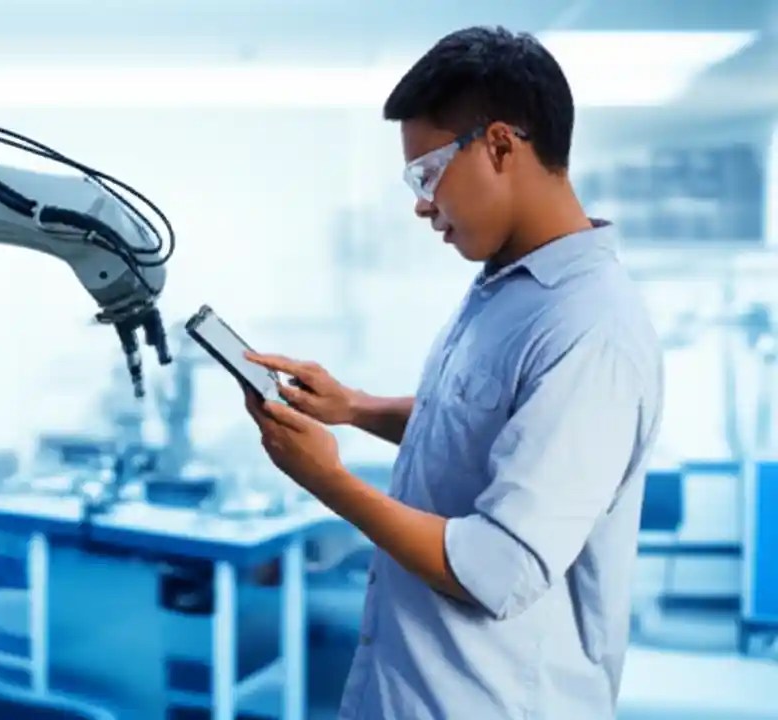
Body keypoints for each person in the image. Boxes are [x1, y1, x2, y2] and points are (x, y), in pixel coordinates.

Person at [241, 26, 664, 720]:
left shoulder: (594, 329)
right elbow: (482, 424)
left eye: (427, 173)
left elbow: (498, 568)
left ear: (500, 145)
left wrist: (329, 480)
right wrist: (353, 408)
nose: (420, 202)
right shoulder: (504, 288)